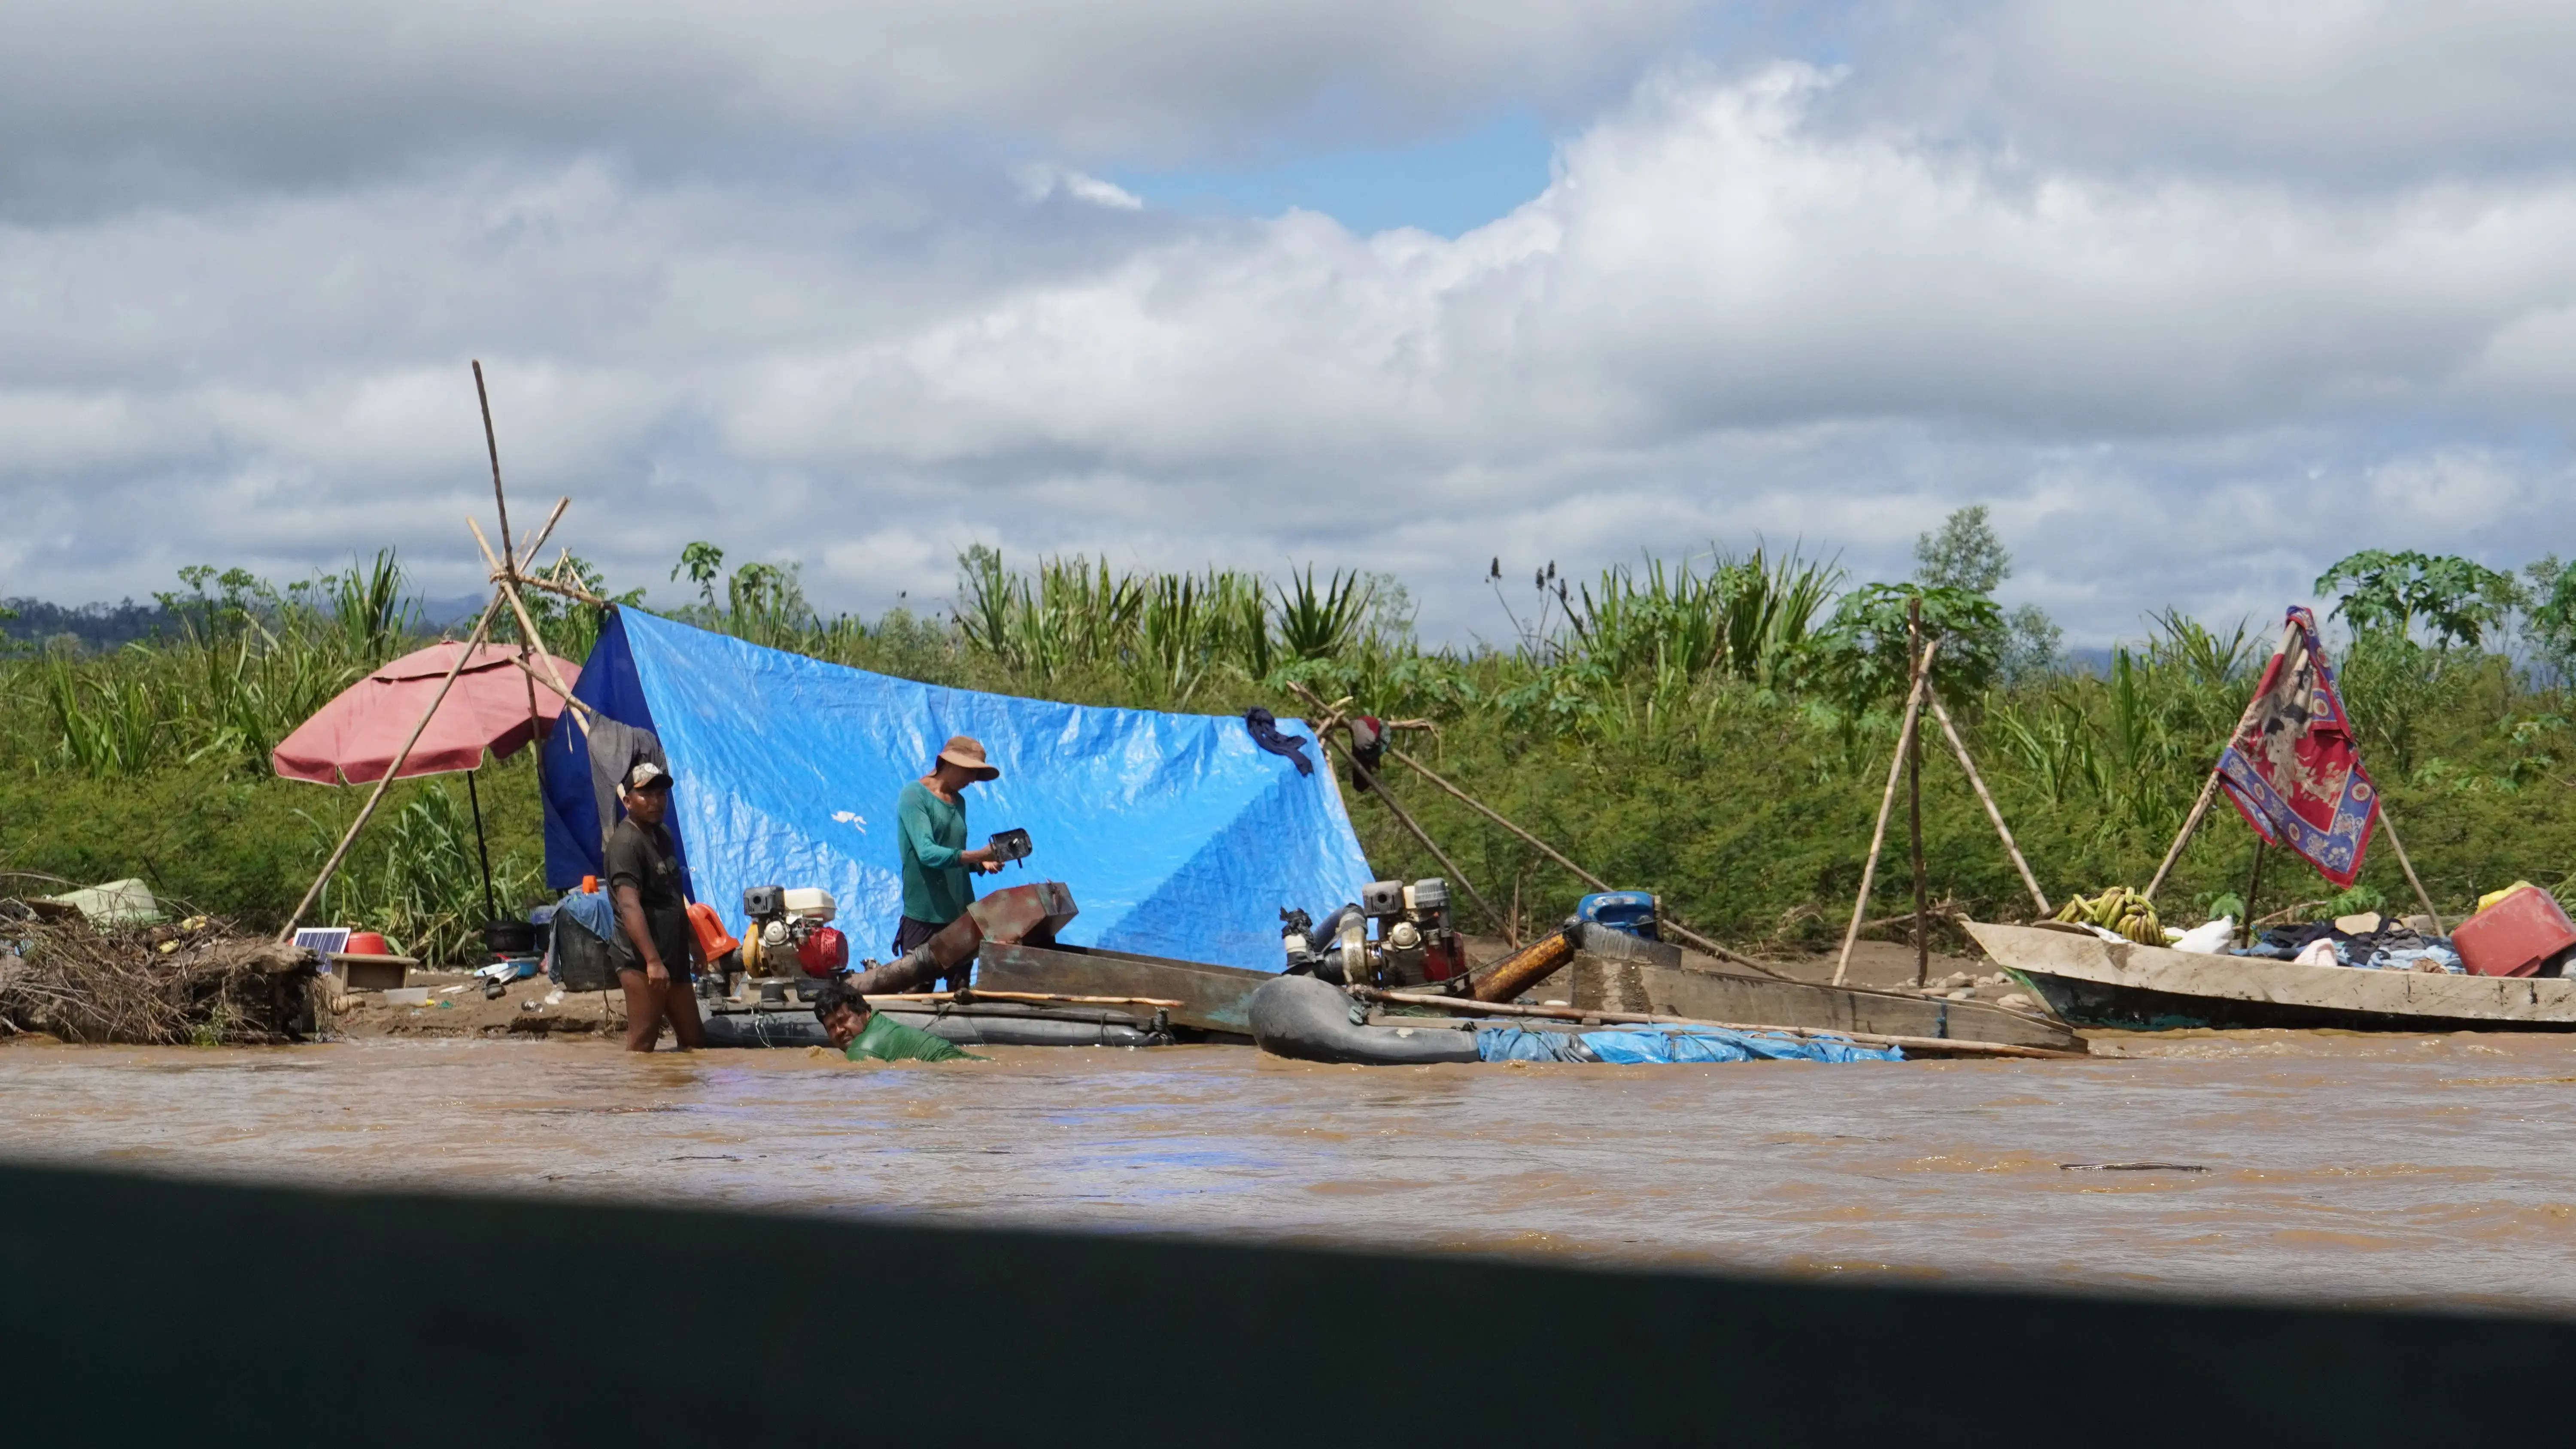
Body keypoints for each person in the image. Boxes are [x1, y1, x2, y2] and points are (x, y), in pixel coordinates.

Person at [605, 760, 706, 1052]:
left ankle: (676, 1086)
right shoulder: (626, 844)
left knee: (695, 1041)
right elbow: (629, 905)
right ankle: (638, 1088)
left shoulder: (663, 835)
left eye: (661, 794)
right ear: (627, 802)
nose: (655, 802)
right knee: (643, 1043)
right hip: (641, 959)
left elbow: (675, 897)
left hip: (672, 954)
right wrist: (652, 961)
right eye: (646, 795)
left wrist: (694, 942)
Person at [893, 734, 1006, 971]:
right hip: (925, 914)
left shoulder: (959, 802)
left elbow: (952, 851)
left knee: (960, 987)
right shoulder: (914, 795)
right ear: (951, 764)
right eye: (970, 771)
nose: (973, 780)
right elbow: (928, 853)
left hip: (959, 915)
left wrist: (980, 863)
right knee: (916, 986)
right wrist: (979, 855)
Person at [813, 977, 983, 1063]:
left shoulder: (862, 1050)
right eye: (831, 1027)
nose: (839, 1031)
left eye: (843, 1020)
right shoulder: (878, 1024)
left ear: (864, 1013)